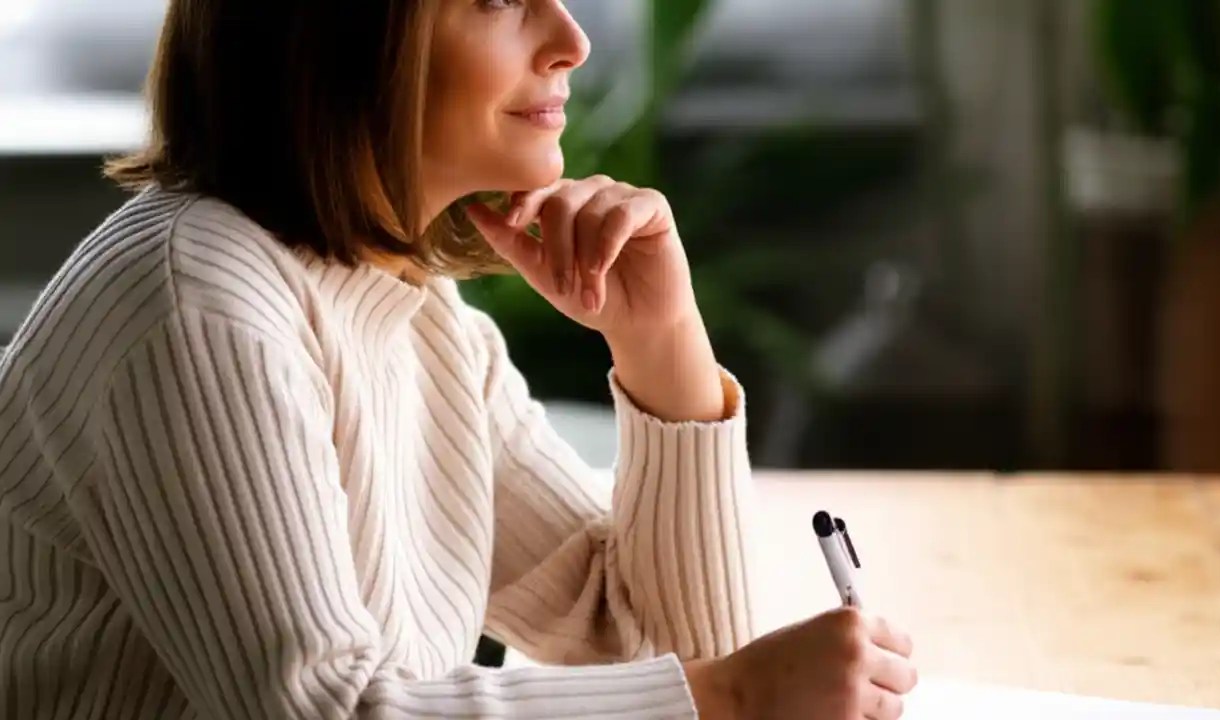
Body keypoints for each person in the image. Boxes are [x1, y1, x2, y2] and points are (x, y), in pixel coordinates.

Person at [0, 0, 917, 717]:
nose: (572, 42)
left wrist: (661, 344)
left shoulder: (409, 302)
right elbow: (324, 712)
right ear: (340, 31)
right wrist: (737, 698)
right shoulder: (199, 299)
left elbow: (646, 644)